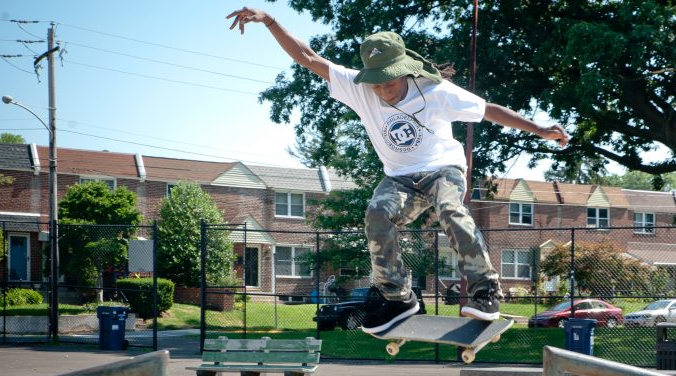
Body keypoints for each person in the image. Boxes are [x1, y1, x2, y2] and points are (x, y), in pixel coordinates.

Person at [228, 7, 570, 332]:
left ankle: (486, 289)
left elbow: (489, 110)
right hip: (400, 179)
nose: (383, 91)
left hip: (442, 170)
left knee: (451, 210)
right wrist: (270, 21)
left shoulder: (435, 91)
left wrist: (539, 130)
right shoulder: (359, 88)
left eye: (389, 83)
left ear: (404, 70)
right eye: (377, 84)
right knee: (377, 213)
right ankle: (398, 297)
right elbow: (309, 58)